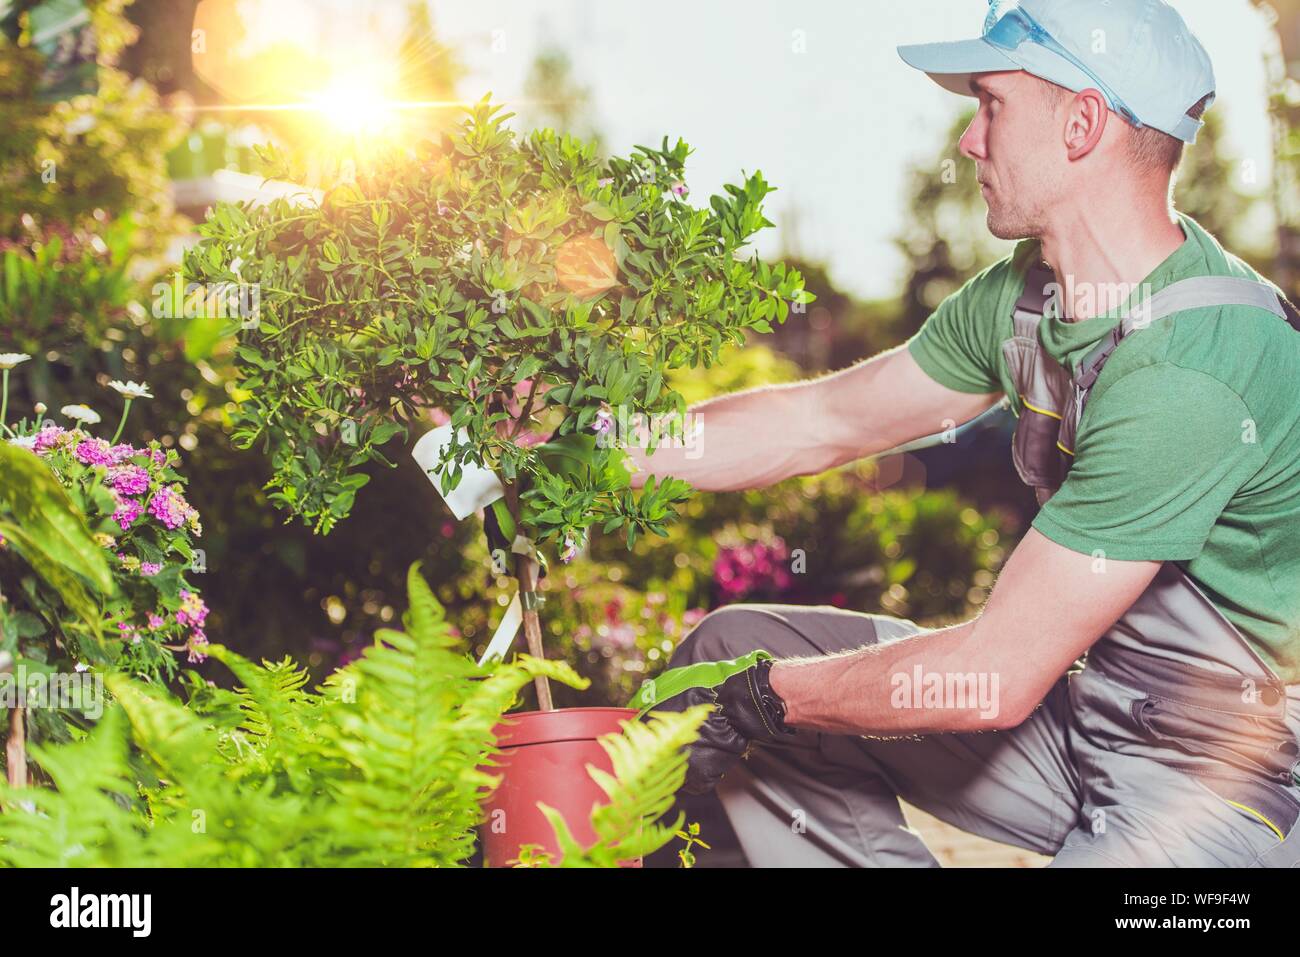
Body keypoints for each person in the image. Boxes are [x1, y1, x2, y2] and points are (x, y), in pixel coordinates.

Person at [623, 0, 1300, 867]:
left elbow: (999, 670)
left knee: (755, 685)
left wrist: (760, 699)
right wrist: (597, 449)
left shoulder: (1194, 368)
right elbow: (822, 421)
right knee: (734, 649)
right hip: (1087, 722)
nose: (968, 140)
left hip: (1226, 786)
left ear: (1082, 123)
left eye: (991, 103)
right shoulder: (1028, 296)